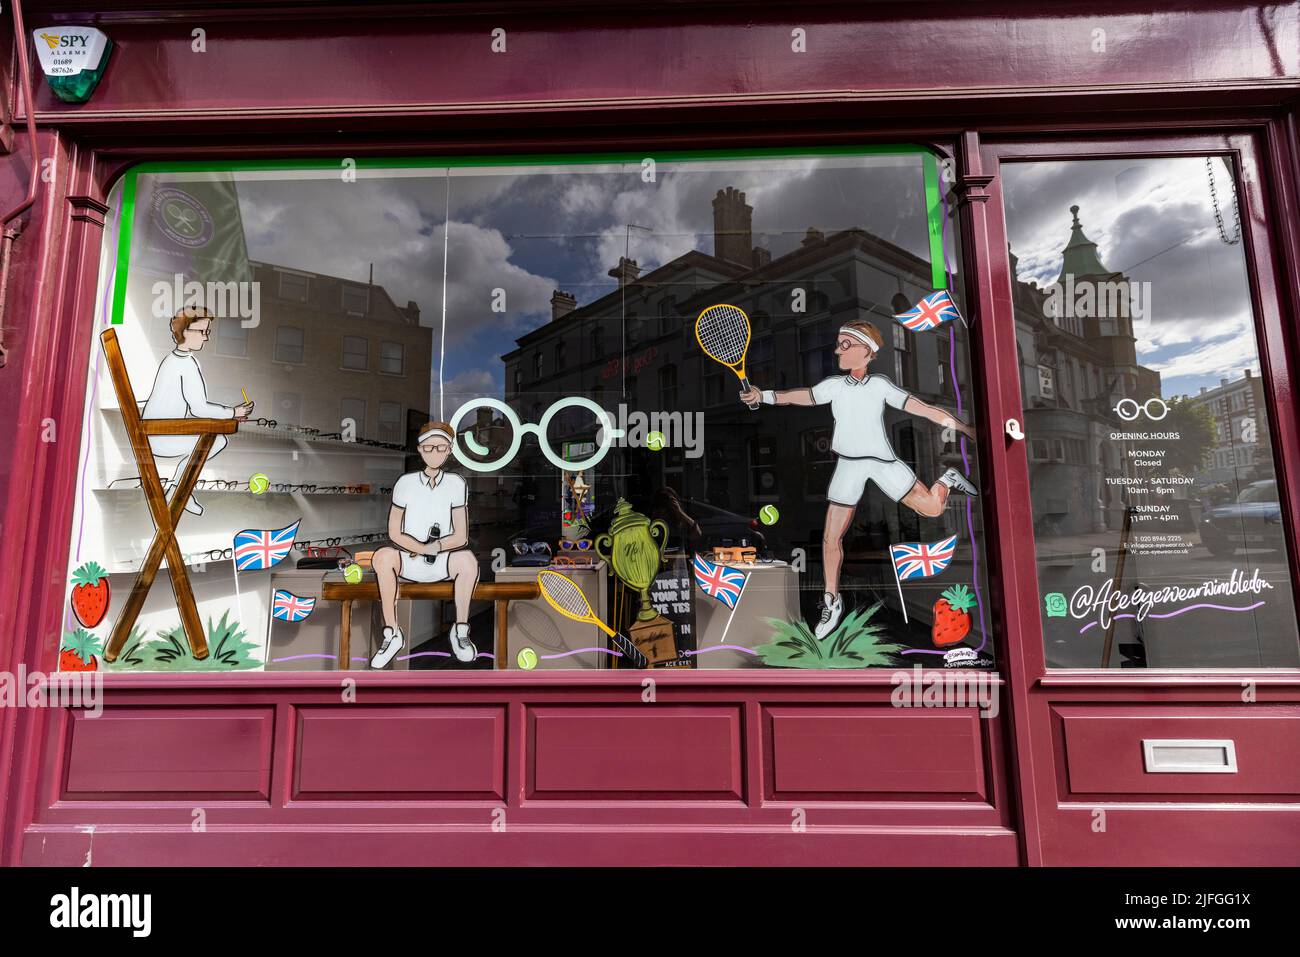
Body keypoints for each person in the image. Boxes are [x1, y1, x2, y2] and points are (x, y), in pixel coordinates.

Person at [738, 319, 977, 639]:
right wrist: (763, 396)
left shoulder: (880, 386)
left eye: (846, 344)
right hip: (848, 466)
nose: (838, 349)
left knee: (932, 509)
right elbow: (799, 396)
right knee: (829, 538)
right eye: (839, 343)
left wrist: (963, 427)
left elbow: (923, 408)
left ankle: (946, 479)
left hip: (882, 463)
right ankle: (830, 601)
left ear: (868, 351)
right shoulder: (834, 386)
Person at [369, 421, 480, 668]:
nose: (435, 453)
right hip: (408, 559)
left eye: (441, 448)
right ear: (419, 450)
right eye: (429, 448)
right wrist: (420, 548)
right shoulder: (405, 483)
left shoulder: (456, 484)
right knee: (383, 557)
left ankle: (461, 631)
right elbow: (394, 531)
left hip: (441, 560)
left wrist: (436, 547)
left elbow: (460, 535)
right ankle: (392, 632)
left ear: (449, 450)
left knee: (467, 561)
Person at [142, 306, 252, 515]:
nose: (206, 338)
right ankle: (178, 490)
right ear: (185, 332)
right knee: (218, 440)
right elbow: (199, 408)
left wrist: (230, 414)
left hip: (159, 431)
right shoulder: (185, 364)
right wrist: (233, 412)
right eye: (202, 332)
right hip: (161, 434)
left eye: (207, 332)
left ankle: (178, 489)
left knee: (214, 440)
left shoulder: (172, 360)